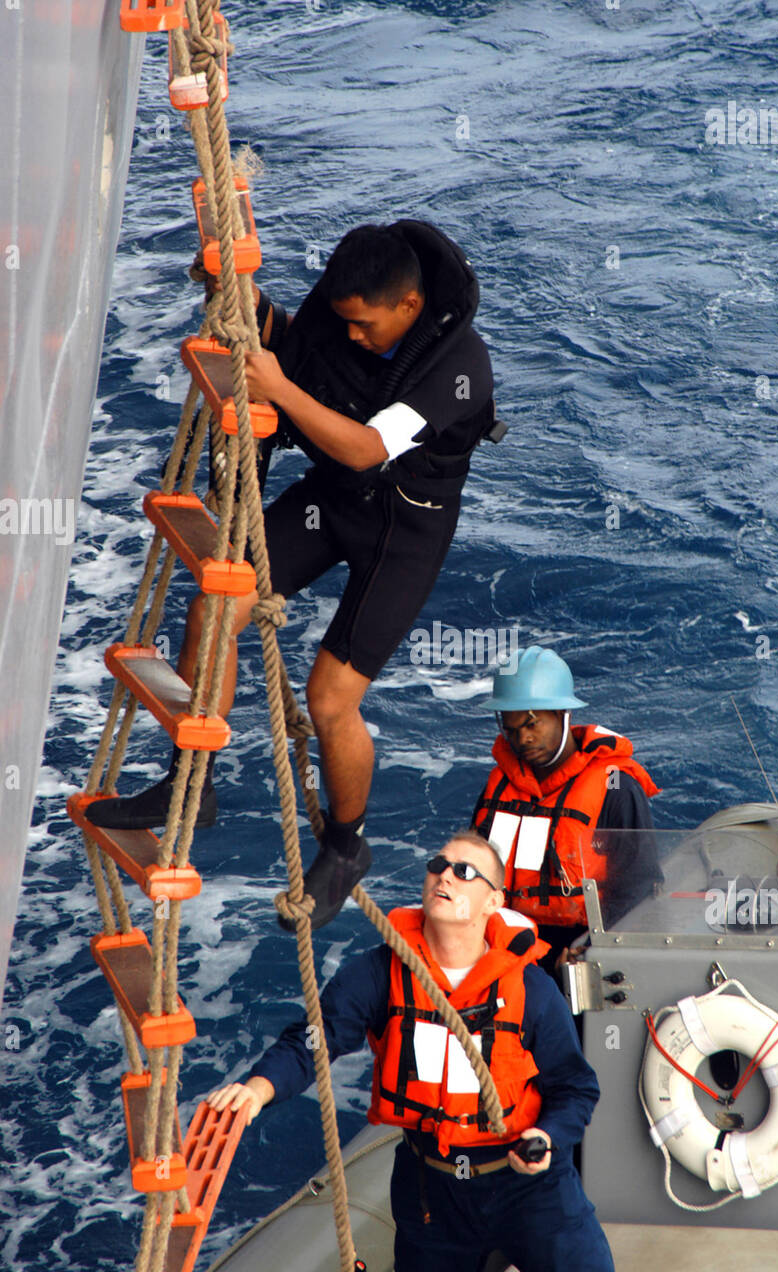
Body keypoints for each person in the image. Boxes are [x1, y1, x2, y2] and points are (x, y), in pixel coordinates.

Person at [88, 221, 499, 929]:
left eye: (363, 326)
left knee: (330, 699)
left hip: (403, 533)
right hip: (333, 504)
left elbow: (369, 447)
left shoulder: (459, 367)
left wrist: (277, 384)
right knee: (213, 610)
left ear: (406, 307)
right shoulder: (344, 316)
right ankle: (193, 783)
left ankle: (345, 846)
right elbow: (294, 341)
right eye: (343, 322)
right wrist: (244, 299)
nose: (351, 337)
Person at [206, 830, 620, 1272]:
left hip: (529, 1188)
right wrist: (258, 1089)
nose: (445, 875)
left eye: (464, 872)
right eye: (438, 865)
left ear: (493, 901)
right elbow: (312, 1042)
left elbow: (574, 1088)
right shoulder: (379, 973)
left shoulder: (532, 990)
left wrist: (546, 1137)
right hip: (431, 1191)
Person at [471, 646, 660, 968]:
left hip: (579, 947)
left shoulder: (615, 788)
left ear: (562, 713)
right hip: (507, 944)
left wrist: (591, 946)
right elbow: (474, 868)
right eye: (512, 729)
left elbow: (639, 888)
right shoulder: (500, 787)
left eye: (533, 724)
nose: (523, 739)